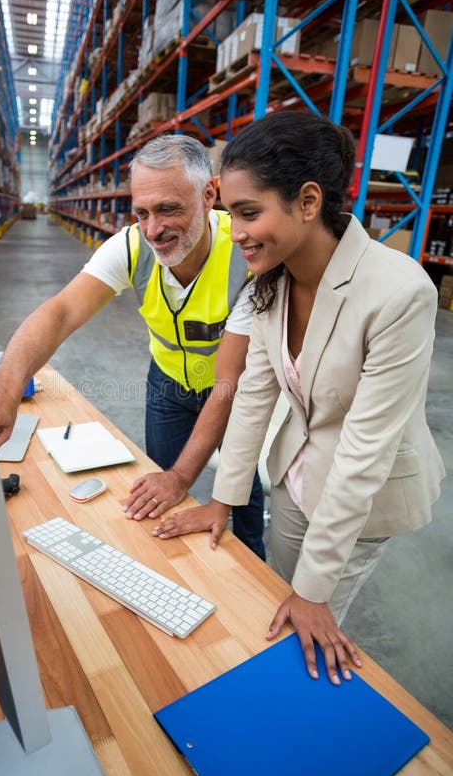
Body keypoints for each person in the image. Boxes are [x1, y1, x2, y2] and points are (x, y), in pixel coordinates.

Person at [153, 111, 445, 685]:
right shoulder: (271, 285)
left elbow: (364, 452)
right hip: (291, 477)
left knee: (306, 624)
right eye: (230, 213)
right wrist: (224, 500)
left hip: (368, 496)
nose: (234, 232)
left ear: (308, 201)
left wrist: (315, 592)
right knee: (273, 601)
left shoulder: (400, 292)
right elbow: (252, 400)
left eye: (248, 212)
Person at [0, 134, 265, 557]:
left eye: (169, 209)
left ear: (209, 195)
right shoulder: (132, 247)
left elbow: (233, 380)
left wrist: (184, 475)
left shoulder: (244, 252)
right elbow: (60, 312)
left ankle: (255, 563)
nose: (154, 229)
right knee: (162, 490)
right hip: (168, 388)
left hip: (233, 389)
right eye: (142, 212)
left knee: (240, 489)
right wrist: (3, 388)